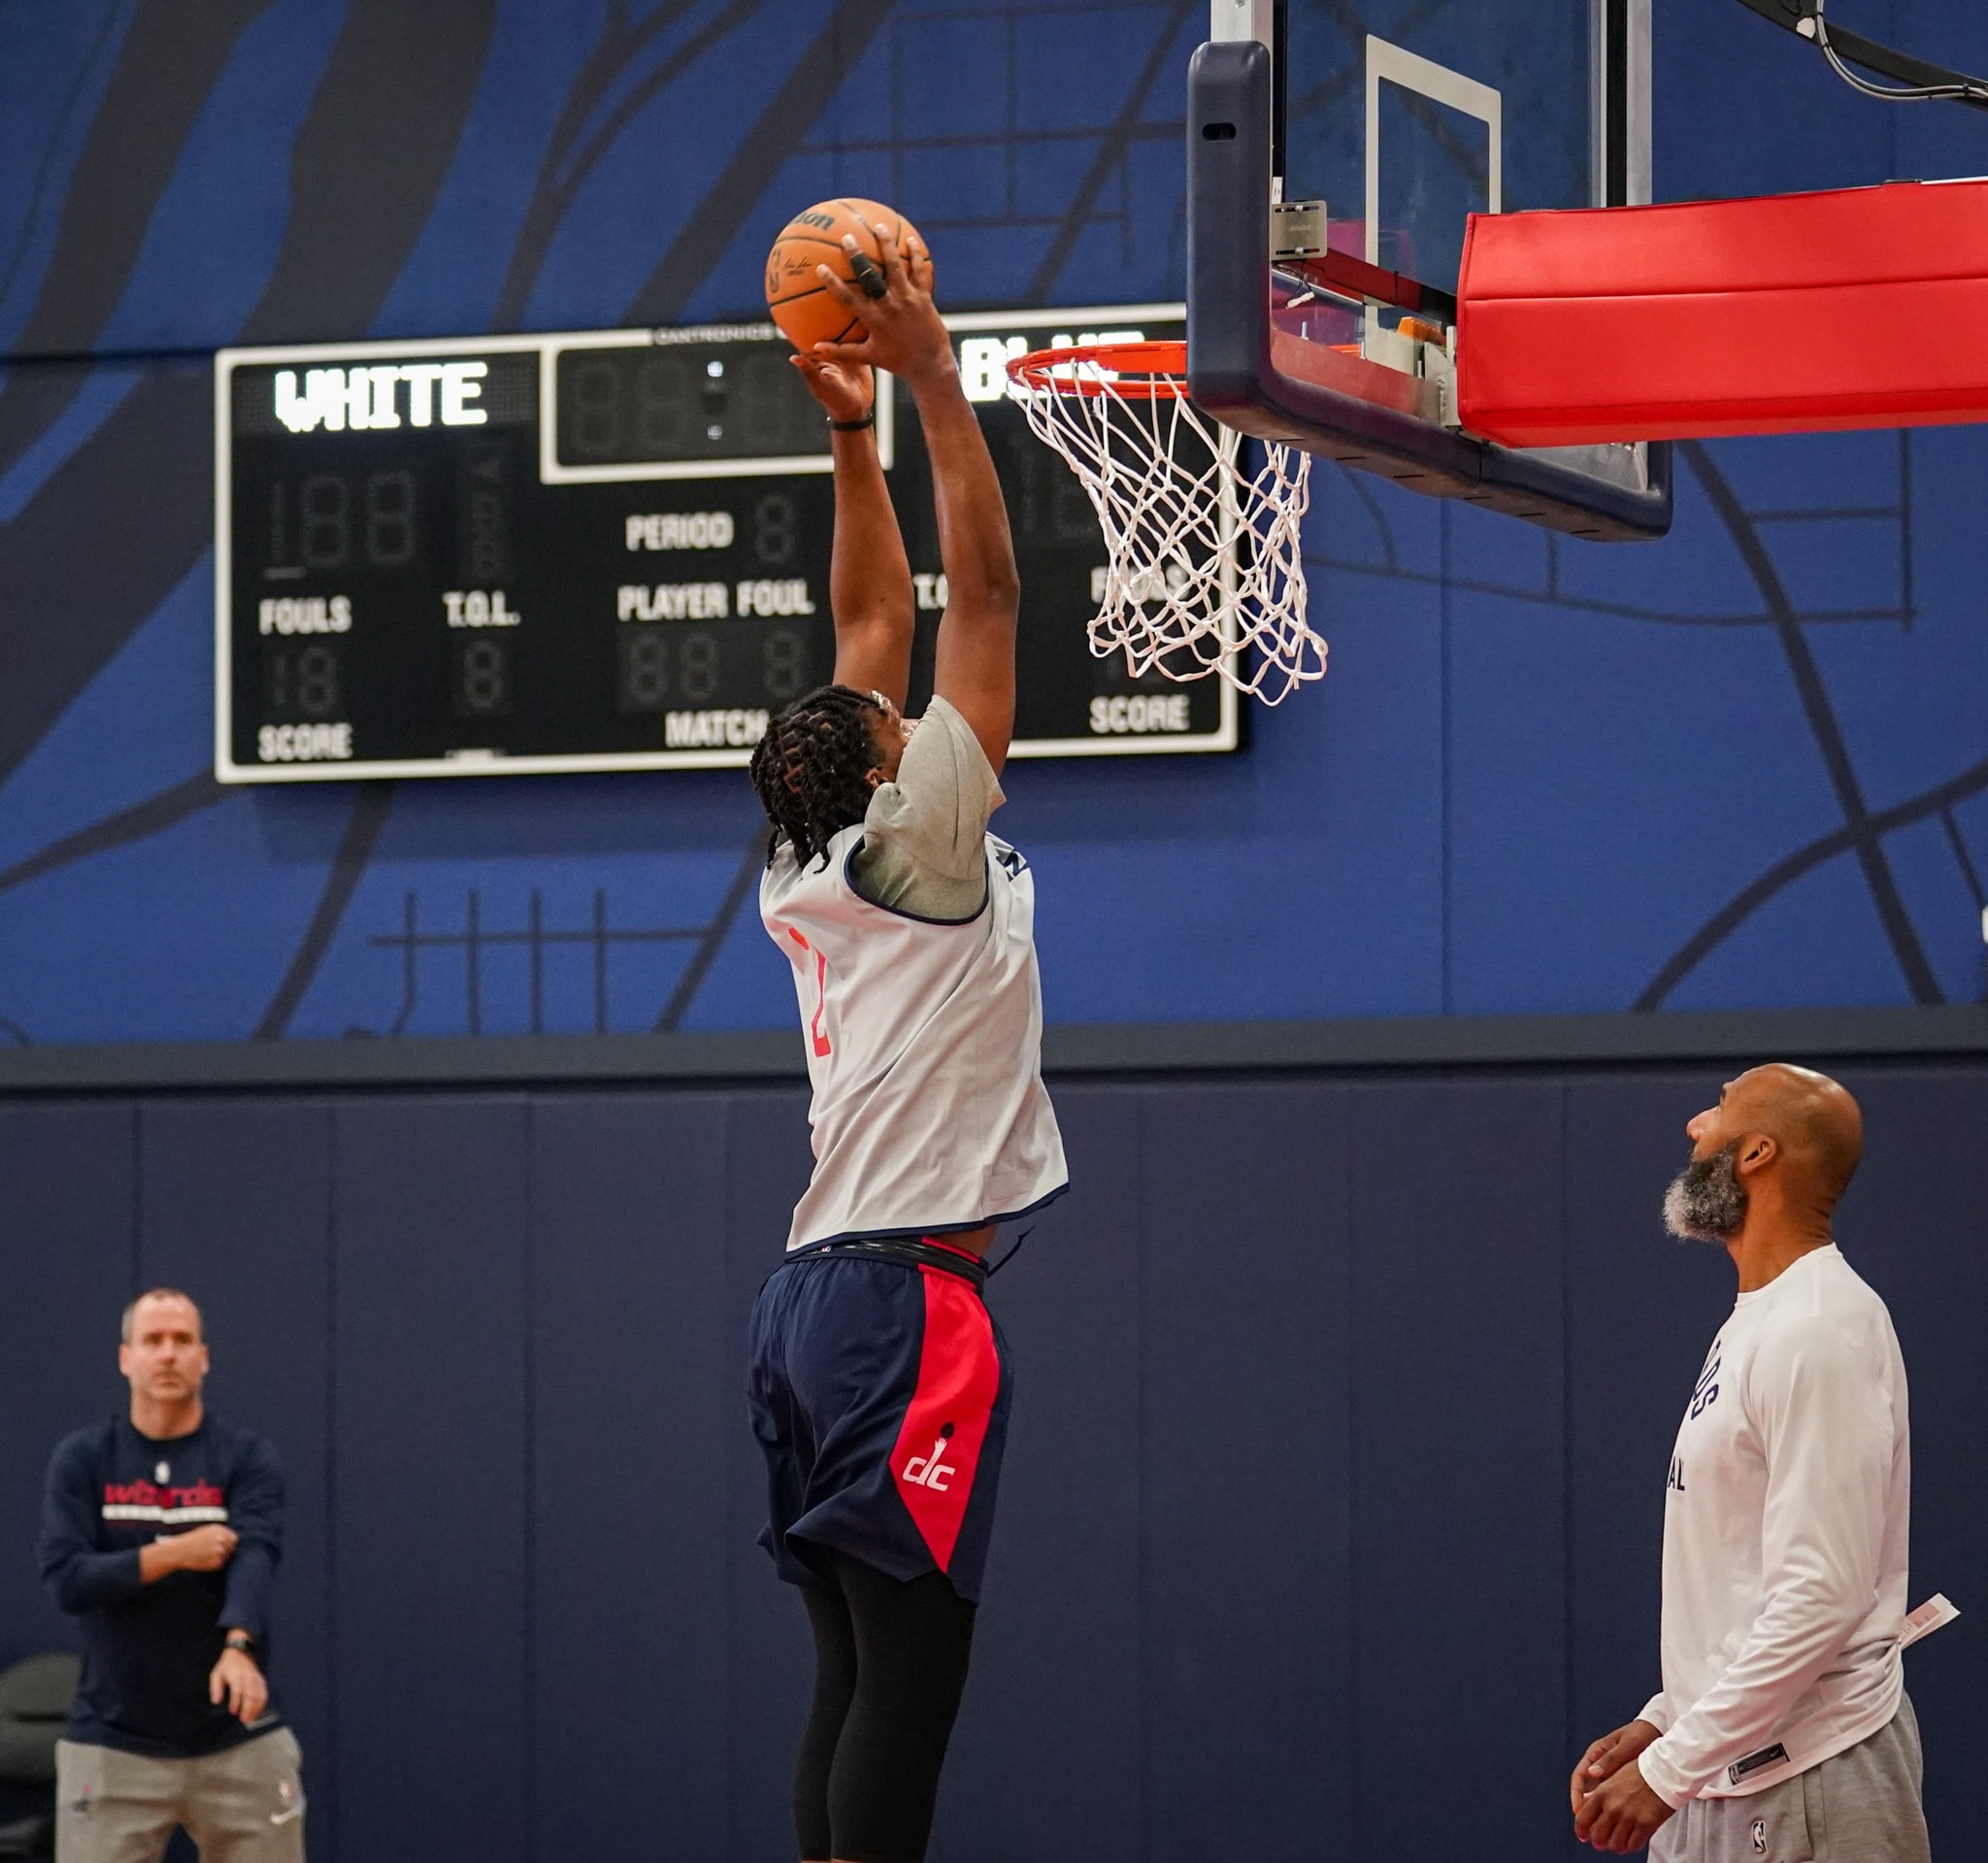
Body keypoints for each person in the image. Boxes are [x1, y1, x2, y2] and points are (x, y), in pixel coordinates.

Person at [745, 219, 1067, 1863]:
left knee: (849, 1669)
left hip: (816, 1297)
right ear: (886, 772)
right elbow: (984, 594)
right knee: (912, 1680)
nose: (904, 698)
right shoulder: (919, 844)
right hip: (896, 1301)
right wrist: (933, 377)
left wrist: (841, 432)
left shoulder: (809, 856)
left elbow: (870, 619)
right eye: (897, 722)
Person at [1572, 1065, 1927, 1860]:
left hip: (1810, 1778)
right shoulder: (1760, 1319)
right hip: (1723, 1769)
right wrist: (1670, 1716)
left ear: (1757, 1153)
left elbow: (1822, 1594)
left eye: (1720, 1110)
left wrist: (1668, 1767)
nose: (1696, 1124)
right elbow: (1746, 1575)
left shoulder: (1821, 1326)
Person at [37, 1289, 304, 1863]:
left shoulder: (245, 1457)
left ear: (203, 1358)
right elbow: (68, 1579)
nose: (168, 1354)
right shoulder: (84, 1458)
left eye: (182, 1341)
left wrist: (239, 1645)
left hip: (235, 1736)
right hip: (113, 1742)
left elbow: (256, 1555)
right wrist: (176, 1553)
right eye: (152, 1341)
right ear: (125, 1358)